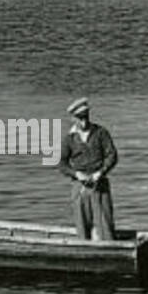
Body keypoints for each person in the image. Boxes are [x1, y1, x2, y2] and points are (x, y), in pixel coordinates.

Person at [57, 98, 118, 241]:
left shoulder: (101, 133)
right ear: (73, 119)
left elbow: (112, 156)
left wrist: (101, 172)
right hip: (80, 187)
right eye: (80, 119)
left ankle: (108, 248)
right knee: (82, 225)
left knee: (105, 225)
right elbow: (61, 164)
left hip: (100, 184)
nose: (84, 122)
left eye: (86, 117)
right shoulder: (69, 139)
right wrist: (76, 174)